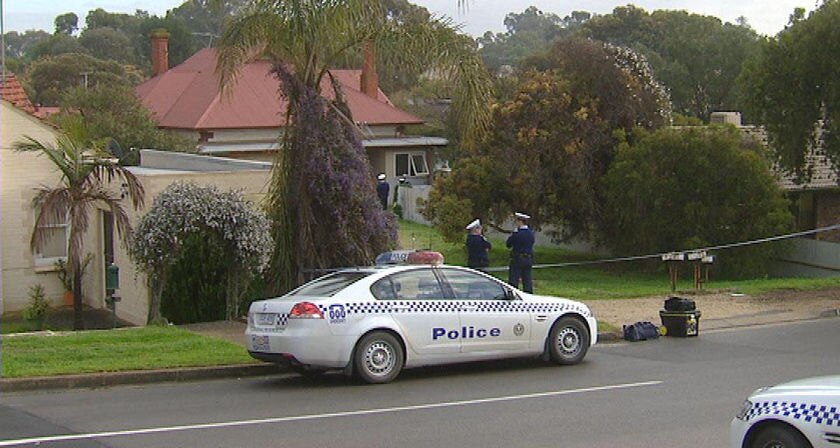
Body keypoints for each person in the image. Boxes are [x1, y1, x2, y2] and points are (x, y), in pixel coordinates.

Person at [506, 212, 535, 293]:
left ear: (520, 222)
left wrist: (514, 234)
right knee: (527, 280)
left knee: (514, 280)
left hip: (518, 259)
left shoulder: (517, 233)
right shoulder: (531, 233)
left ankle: (512, 296)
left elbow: (508, 244)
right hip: (528, 259)